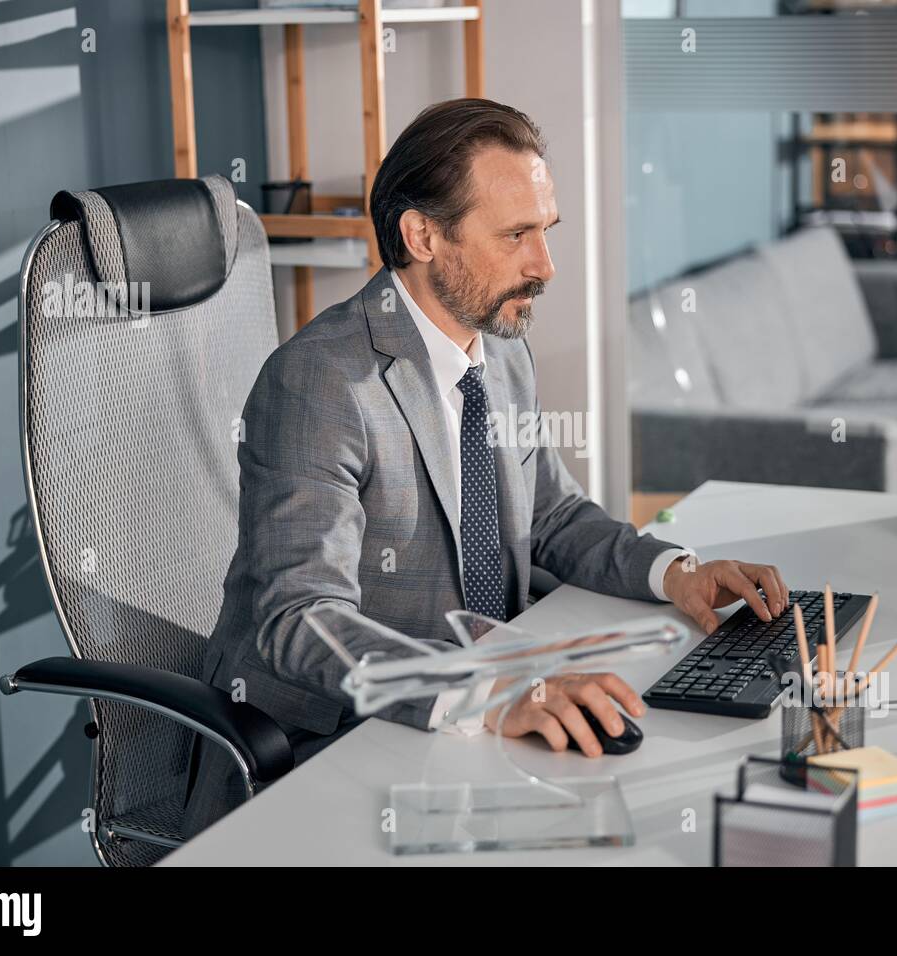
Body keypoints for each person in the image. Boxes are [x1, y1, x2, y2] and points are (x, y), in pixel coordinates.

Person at [181, 98, 787, 838]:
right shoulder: (322, 384)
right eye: (516, 236)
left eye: (546, 231)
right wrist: (490, 692)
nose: (545, 266)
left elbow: (553, 515)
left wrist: (676, 574)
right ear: (422, 235)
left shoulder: (497, 346)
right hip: (321, 741)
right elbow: (301, 619)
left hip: (473, 710)